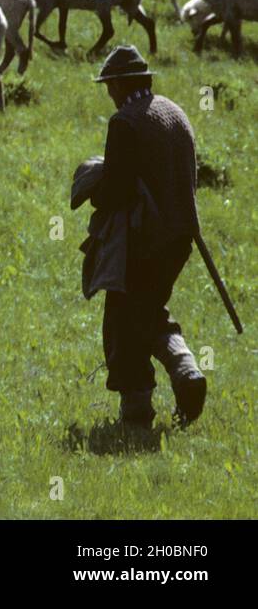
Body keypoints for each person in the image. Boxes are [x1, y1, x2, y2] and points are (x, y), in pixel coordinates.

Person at [90, 45, 206, 428]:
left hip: (143, 242)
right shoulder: (175, 111)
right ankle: (187, 371)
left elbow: (117, 192)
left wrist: (93, 185)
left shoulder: (125, 122)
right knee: (145, 311)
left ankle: (136, 412)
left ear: (121, 84)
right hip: (181, 240)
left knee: (122, 321)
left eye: (110, 85)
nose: (109, 93)